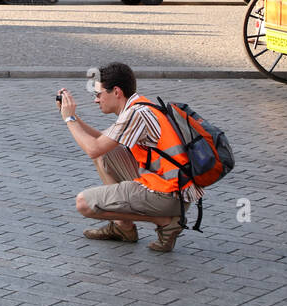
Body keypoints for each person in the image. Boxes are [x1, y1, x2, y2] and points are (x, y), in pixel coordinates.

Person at [61, 62, 196, 253]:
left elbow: (92, 148)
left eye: (98, 94)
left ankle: (166, 221)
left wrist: (69, 119)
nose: (96, 100)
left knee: (84, 204)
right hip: (174, 188)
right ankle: (123, 227)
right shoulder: (139, 105)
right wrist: (71, 115)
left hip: (169, 195)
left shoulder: (135, 114)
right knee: (105, 154)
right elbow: (100, 143)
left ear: (116, 92)